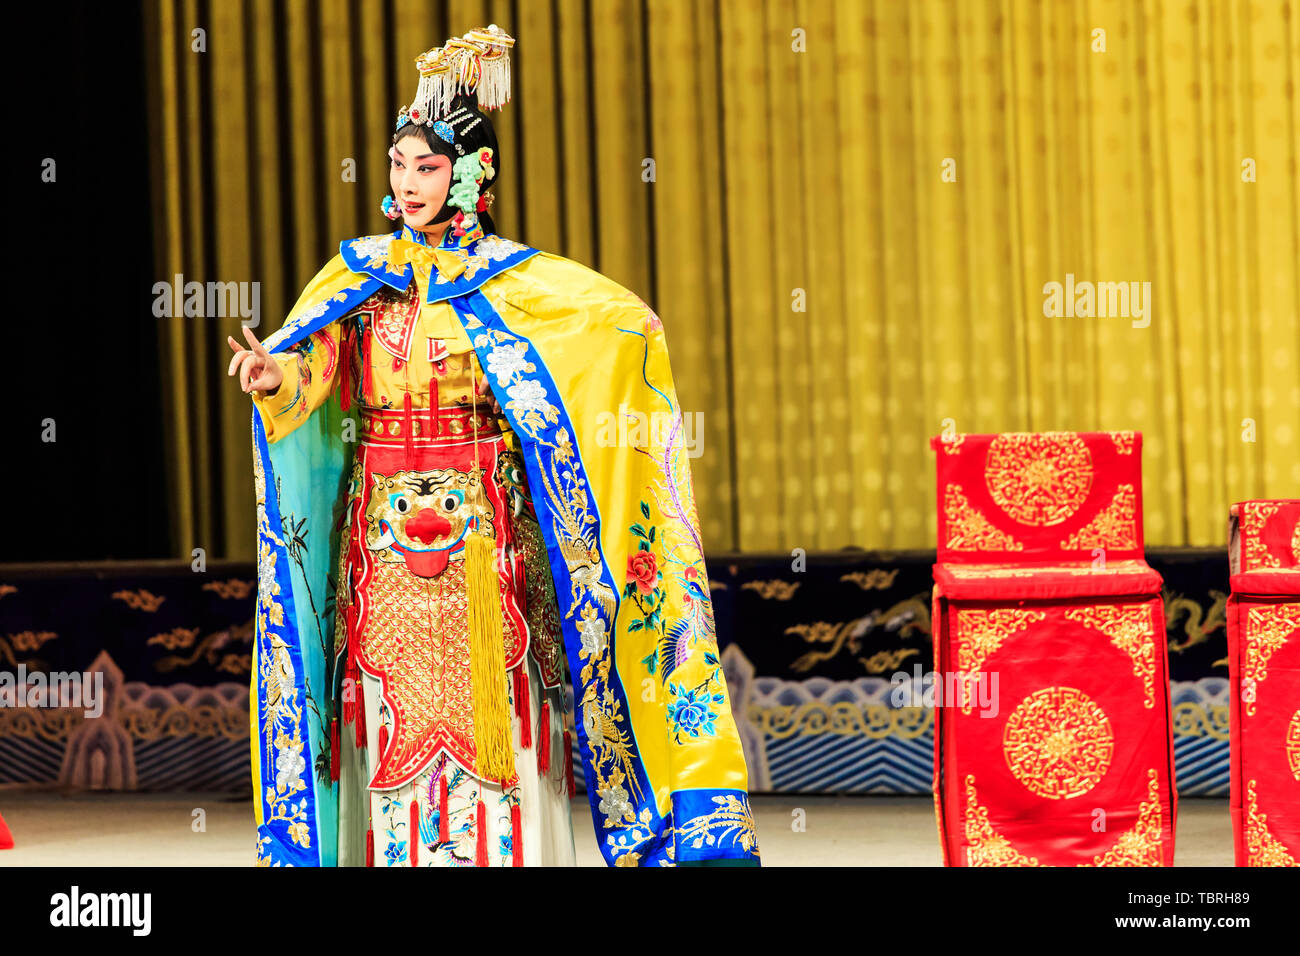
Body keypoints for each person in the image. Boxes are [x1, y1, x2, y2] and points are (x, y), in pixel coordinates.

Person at [226, 24, 758, 867]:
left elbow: (618, 330)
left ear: (473, 174)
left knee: (500, 716)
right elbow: (313, 368)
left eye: (427, 167)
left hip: (484, 540)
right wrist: (274, 379)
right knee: (381, 709)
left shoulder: (523, 286)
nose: (407, 183)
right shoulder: (359, 277)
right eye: (398, 165)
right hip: (380, 544)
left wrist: (635, 352)